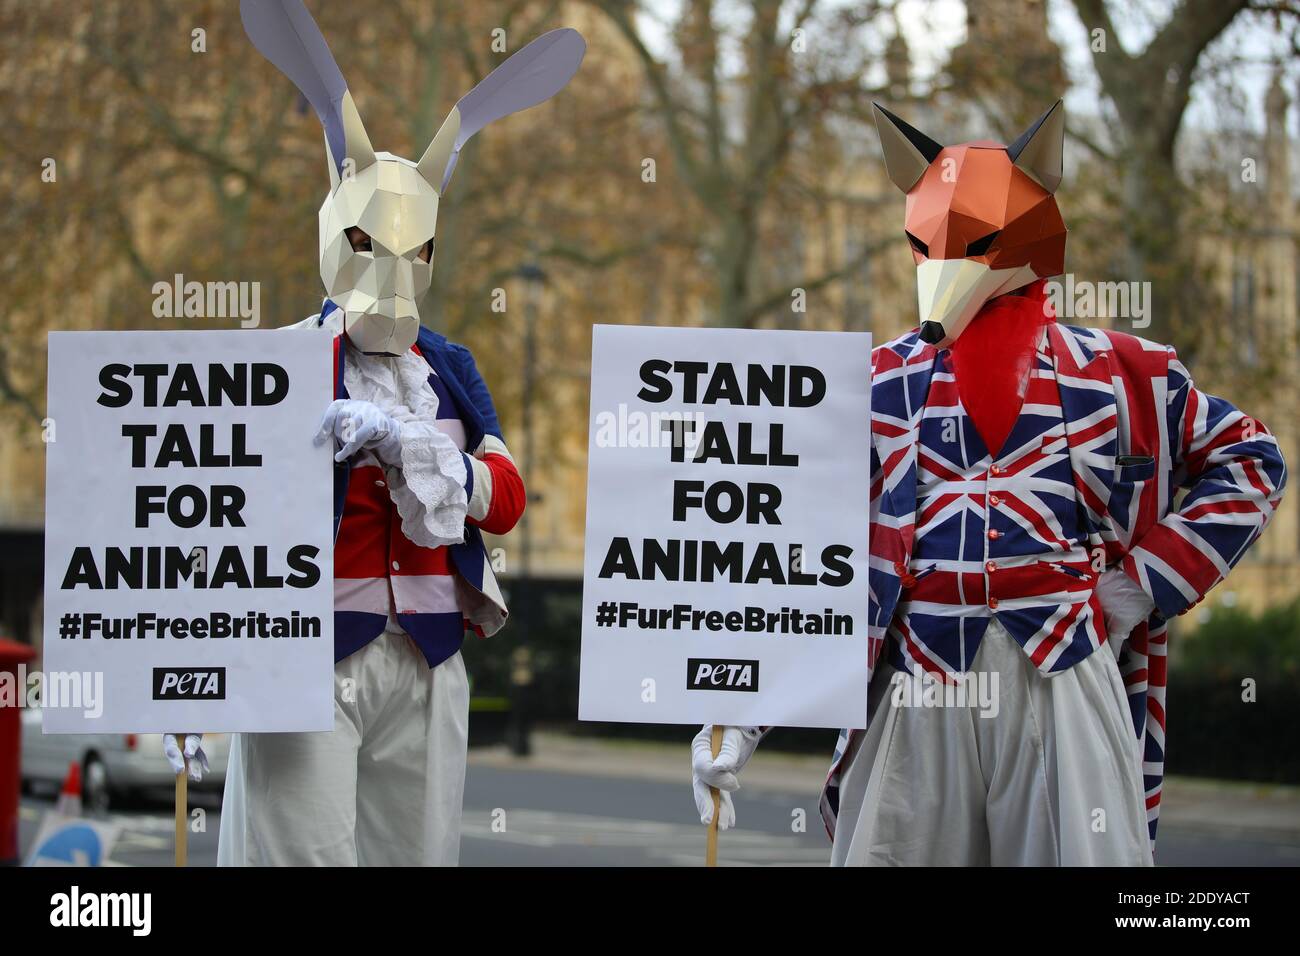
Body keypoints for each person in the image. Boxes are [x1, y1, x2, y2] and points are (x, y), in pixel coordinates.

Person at [691, 101, 1288, 866]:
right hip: (918, 678)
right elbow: (805, 555)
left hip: (1062, 675)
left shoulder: (1125, 373)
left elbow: (1251, 461)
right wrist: (738, 715)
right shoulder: (876, 384)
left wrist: (1134, 589)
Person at [161, 0, 584, 866]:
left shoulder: (451, 368)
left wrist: (412, 446)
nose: (395, 272)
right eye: (367, 241)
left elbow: (503, 500)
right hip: (305, 663)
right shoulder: (274, 365)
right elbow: (209, 521)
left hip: (429, 663)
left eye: (417, 250)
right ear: (333, 229)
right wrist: (178, 675)